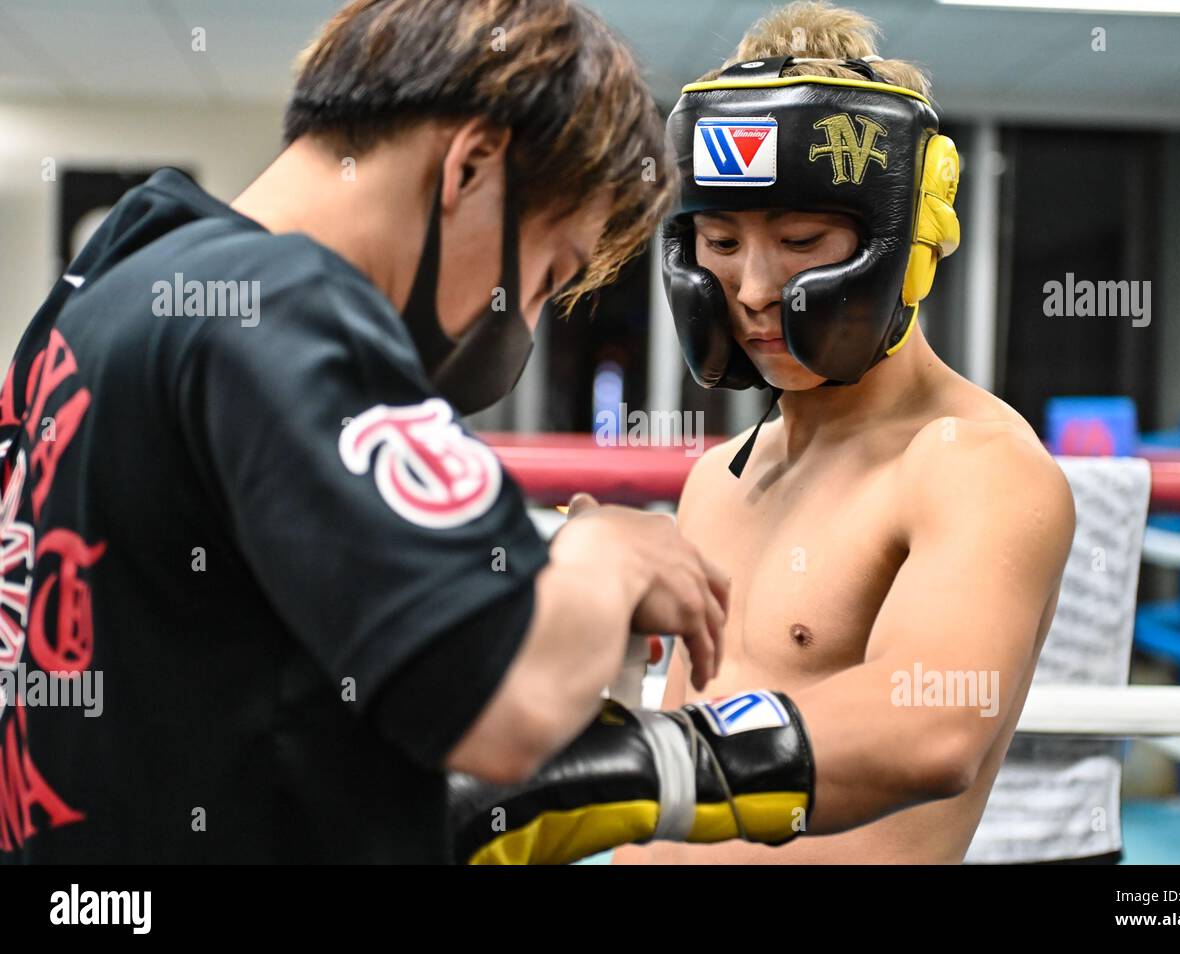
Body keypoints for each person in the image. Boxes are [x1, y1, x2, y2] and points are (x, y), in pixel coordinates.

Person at [0, 0, 728, 863]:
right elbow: (509, 699)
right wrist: (608, 553)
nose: (522, 322)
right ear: (473, 166)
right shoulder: (288, 305)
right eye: (544, 273)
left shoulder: (107, 286)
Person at [451, 1, 1074, 866]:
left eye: (802, 239)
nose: (750, 288)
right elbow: (676, 752)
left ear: (907, 240)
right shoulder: (718, 478)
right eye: (719, 241)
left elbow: (932, 724)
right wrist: (602, 641)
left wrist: (626, 769)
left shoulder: (971, 465)